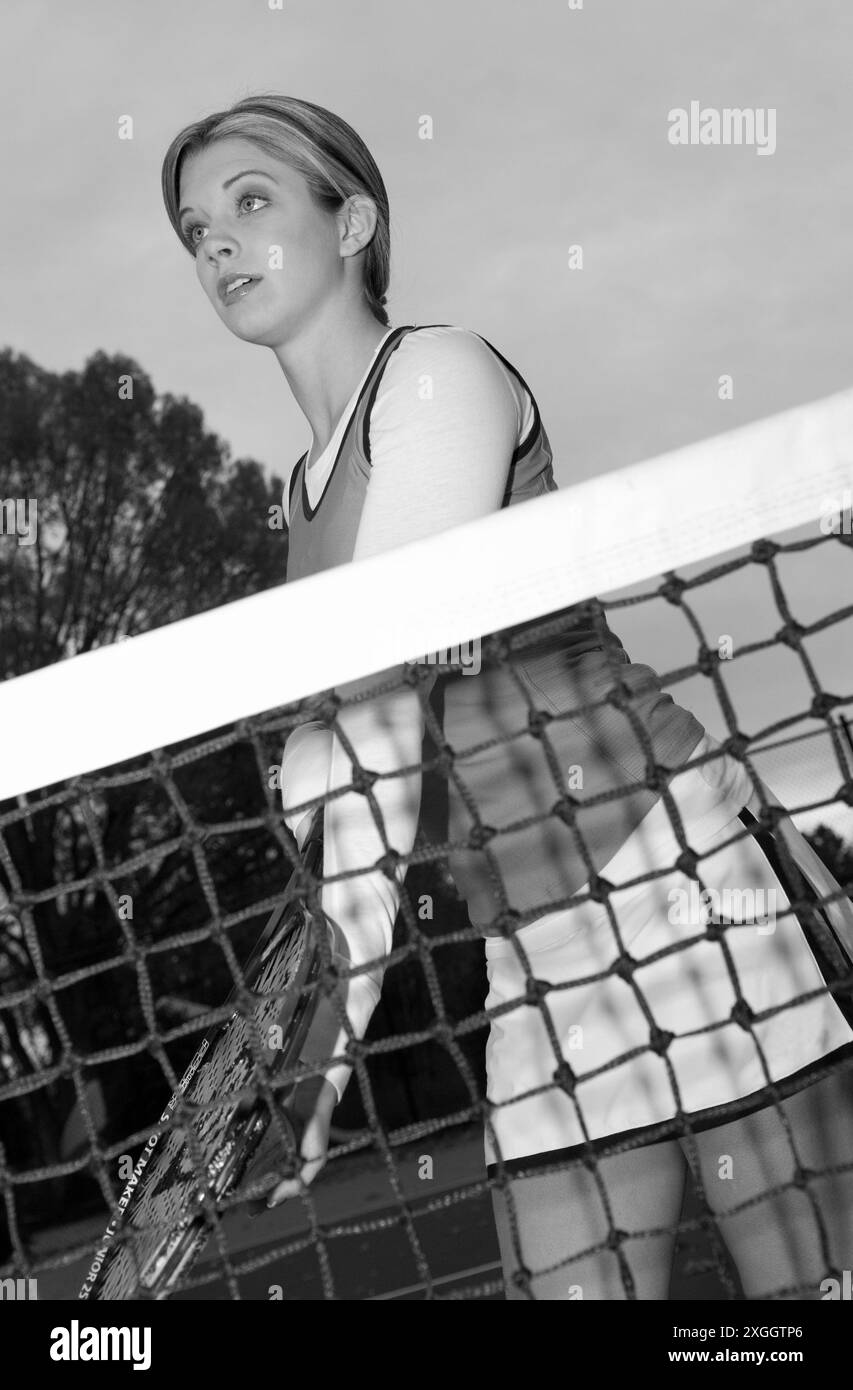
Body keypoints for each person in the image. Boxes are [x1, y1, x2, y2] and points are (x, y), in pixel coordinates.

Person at [161, 94, 853, 1299]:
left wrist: (320, 1054)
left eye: (251, 202)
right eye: (194, 228)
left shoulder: (433, 376)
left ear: (353, 221)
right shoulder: (300, 496)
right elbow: (361, 776)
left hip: (677, 880)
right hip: (528, 943)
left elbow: (379, 714)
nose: (215, 241)